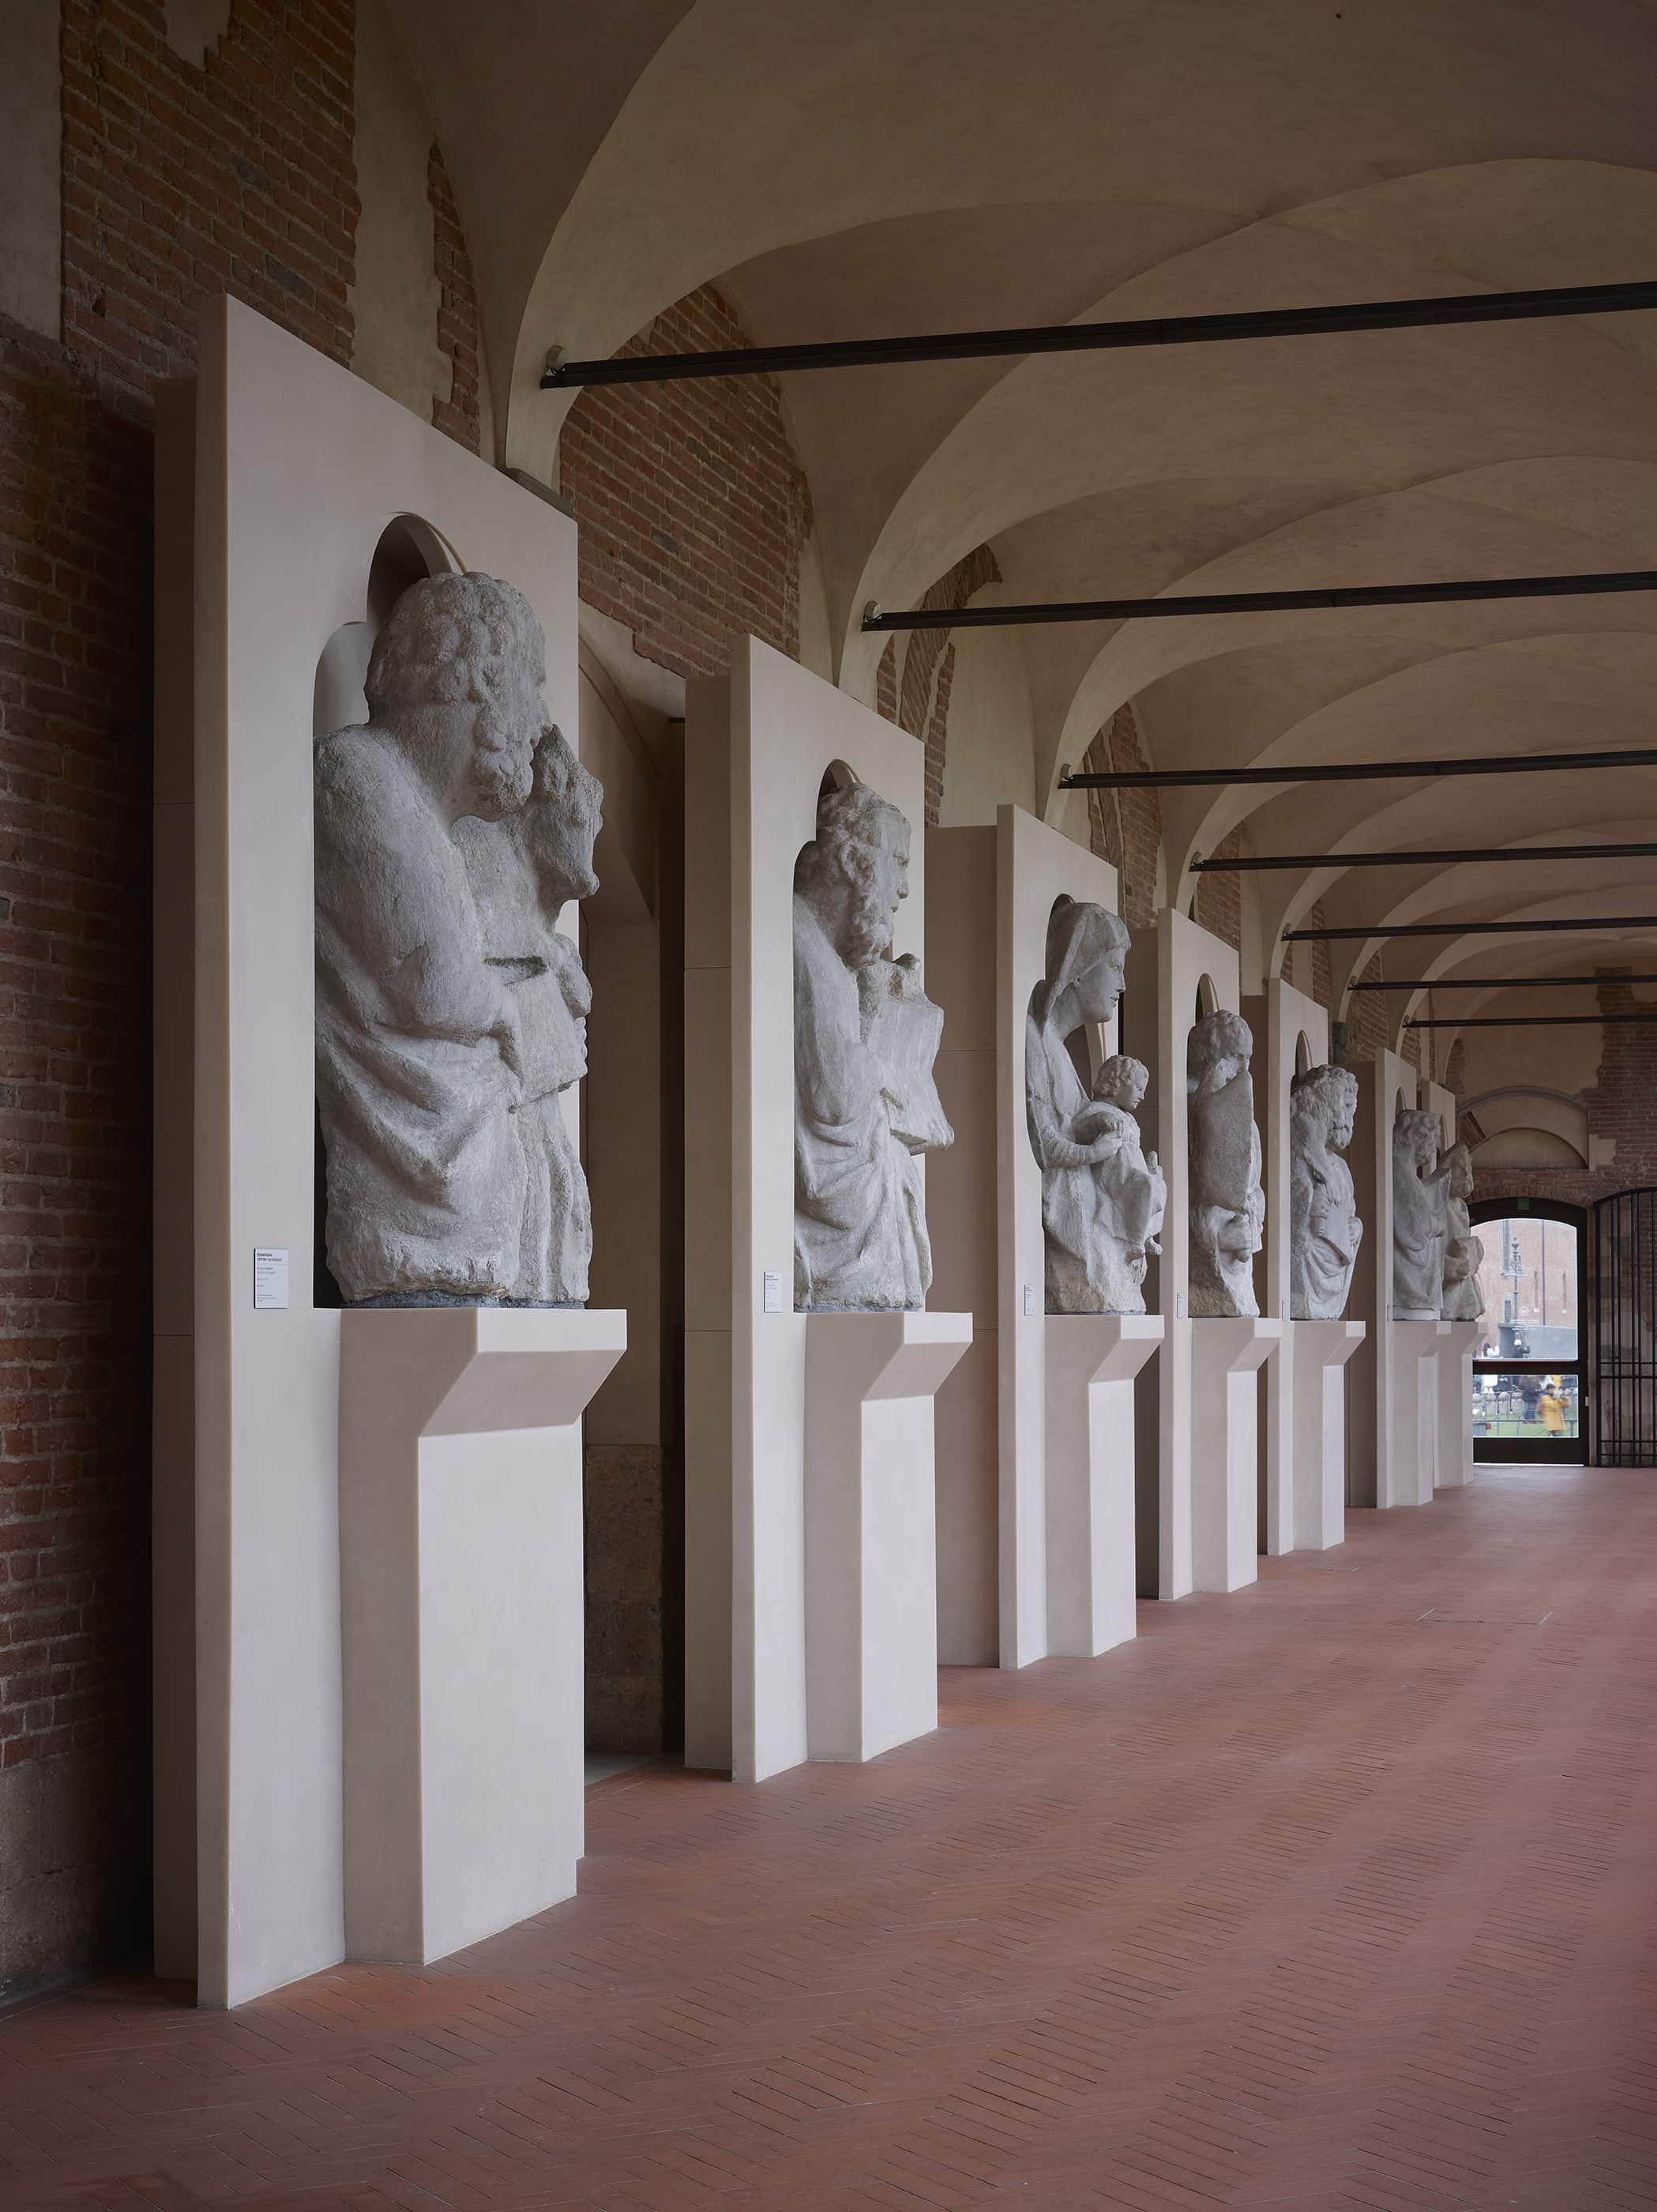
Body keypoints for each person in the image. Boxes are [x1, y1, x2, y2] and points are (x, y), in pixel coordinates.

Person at [314, 573, 546, 1304]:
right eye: (532, 685)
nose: (540, 719)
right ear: (475, 682)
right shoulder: (360, 775)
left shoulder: (431, 823)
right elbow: (437, 985)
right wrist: (508, 1012)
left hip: (450, 1200)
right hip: (411, 1200)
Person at [794, 778, 952, 1310]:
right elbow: (834, 1096)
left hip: (860, 1187)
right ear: (853, 861)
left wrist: (874, 1005)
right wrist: (884, 1064)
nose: (904, 888)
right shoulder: (803, 946)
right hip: (839, 1202)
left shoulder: (833, 962)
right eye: (899, 862)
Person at [1024, 899, 1164, 1314]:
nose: (1122, 986)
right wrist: (1096, 1149)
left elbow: (1068, 1126)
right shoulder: (1036, 1042)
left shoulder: (1060, 1052)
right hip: (1075, 1221)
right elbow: (1045, 1143)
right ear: (1081, 968)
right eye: (1115, 968)